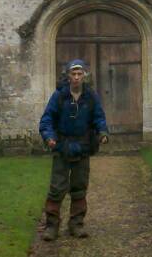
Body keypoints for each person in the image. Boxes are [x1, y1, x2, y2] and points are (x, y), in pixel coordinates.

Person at [38, 58, 108, 240]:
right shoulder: (59, 96)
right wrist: (49, 137)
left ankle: (76, 224)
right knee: (57, 187)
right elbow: (46, 120)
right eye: (73, 74)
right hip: (62, 147)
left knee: (79, 187)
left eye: (79, 74)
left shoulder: (91, 96)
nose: (76, 77)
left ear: (84, 75)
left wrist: (103, 132)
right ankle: (51, 226)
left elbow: (99, 117)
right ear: (68, 76)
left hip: (83, 147)